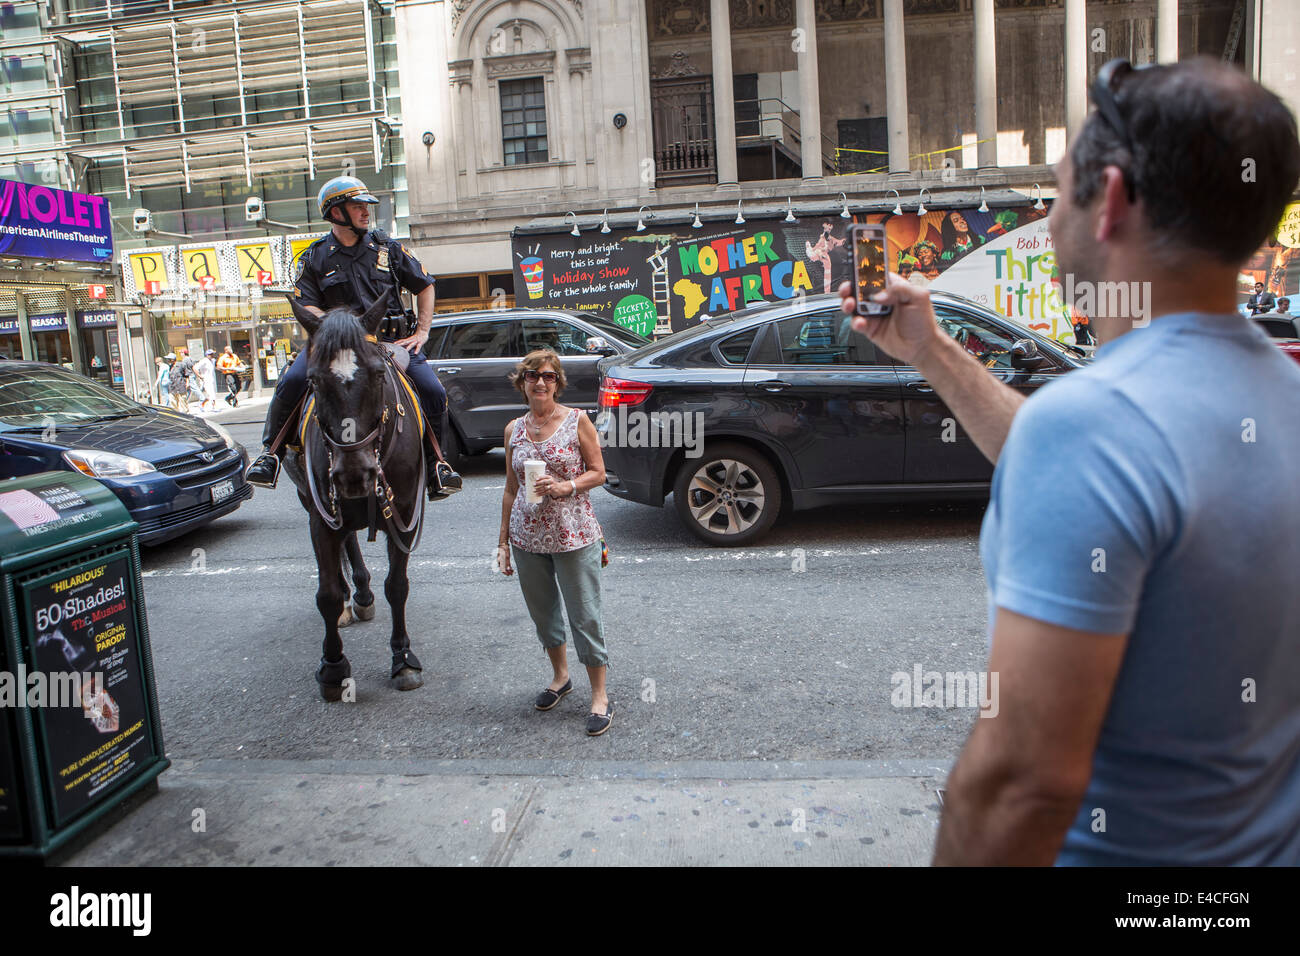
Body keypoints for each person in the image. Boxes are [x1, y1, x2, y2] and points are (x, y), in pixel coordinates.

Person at [840, 57, 1300, 865]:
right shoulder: (1275, 396)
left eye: (1057, 192)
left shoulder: (1094, 430)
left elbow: (1022, 783)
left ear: (1112, 200)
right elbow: (1109, 482)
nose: (1050, 218)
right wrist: (933, 350)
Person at [244, 175, 460, 500]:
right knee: (291, 382)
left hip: (388, 343)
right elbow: (306, 304)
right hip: (334, 346)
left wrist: (423, 332)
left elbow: (425, 285)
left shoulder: (388, 248)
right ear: (336, 213)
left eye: (366, 206)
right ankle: (270, 454)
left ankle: (437, 466)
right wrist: (337, 328)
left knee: (431, 389)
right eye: (357, 206)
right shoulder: (314, 257)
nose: (365, 212)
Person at [497, 350, 612, 736]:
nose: (540, 382)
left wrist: (567, 486)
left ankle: (599, 696)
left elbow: (599, 473)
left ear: (557, 383)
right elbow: (511, 490)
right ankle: (560, 677)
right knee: (544, 614)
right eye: (532, 376)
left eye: (548, 376)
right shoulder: (514, 429)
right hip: (527, 538)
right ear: (523, 383)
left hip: (574, 534)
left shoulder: (577, 421)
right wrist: (502, 542)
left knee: (585, 615)